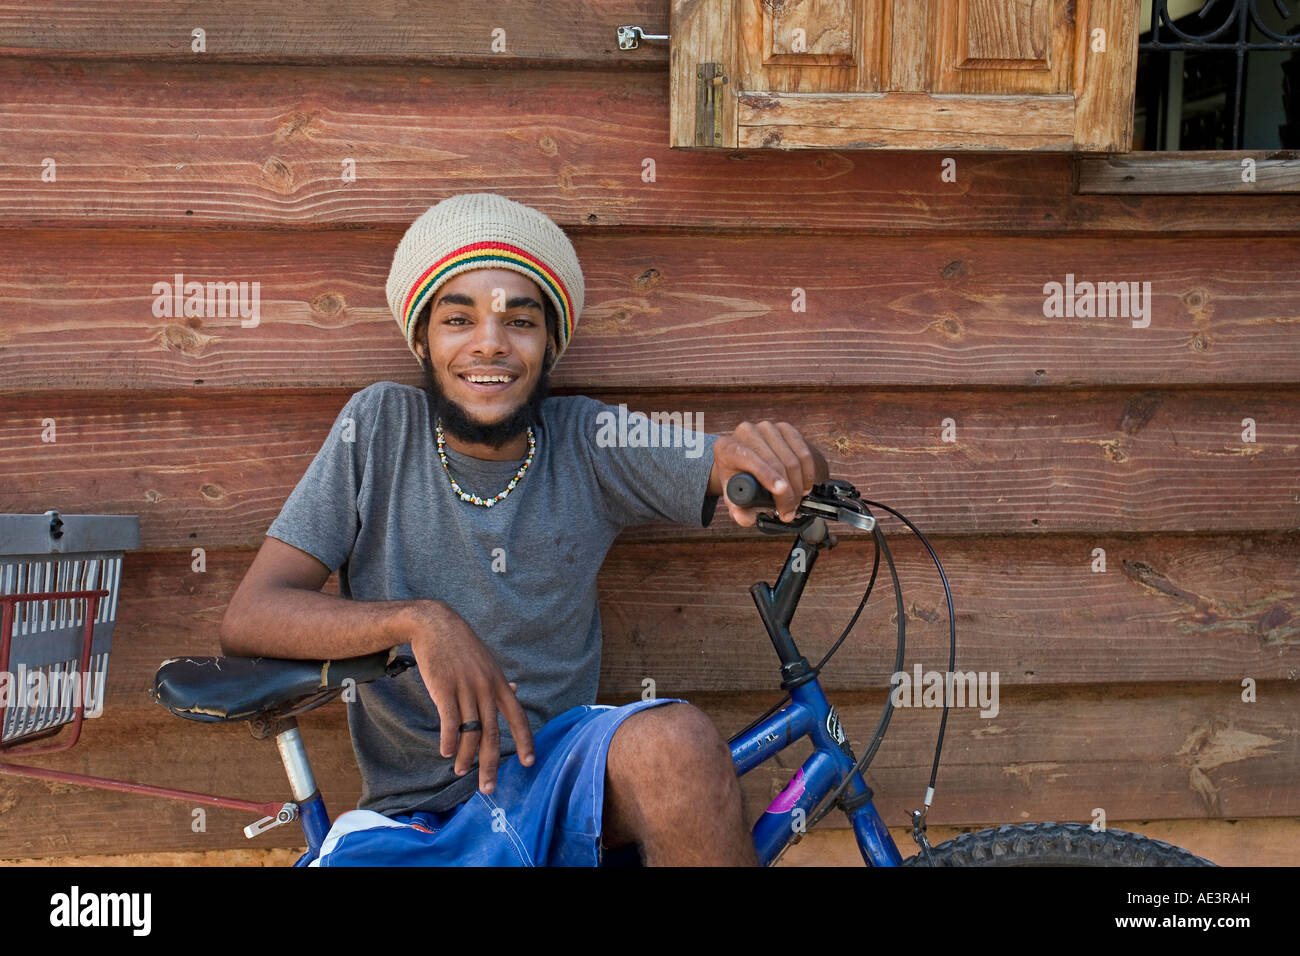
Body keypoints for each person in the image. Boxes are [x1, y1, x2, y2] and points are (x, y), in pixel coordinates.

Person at [219, 193, 829, 866]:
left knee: (675, 741)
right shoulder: (379, 429)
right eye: (459, 318)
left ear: (550, 344)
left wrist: (777, 459)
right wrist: (421, 622)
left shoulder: (587, 438)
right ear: (423, 338)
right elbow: (252, 613)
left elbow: (720, 461)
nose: (490, 342)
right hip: (419, 818)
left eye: (521, 320)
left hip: (558, 782)